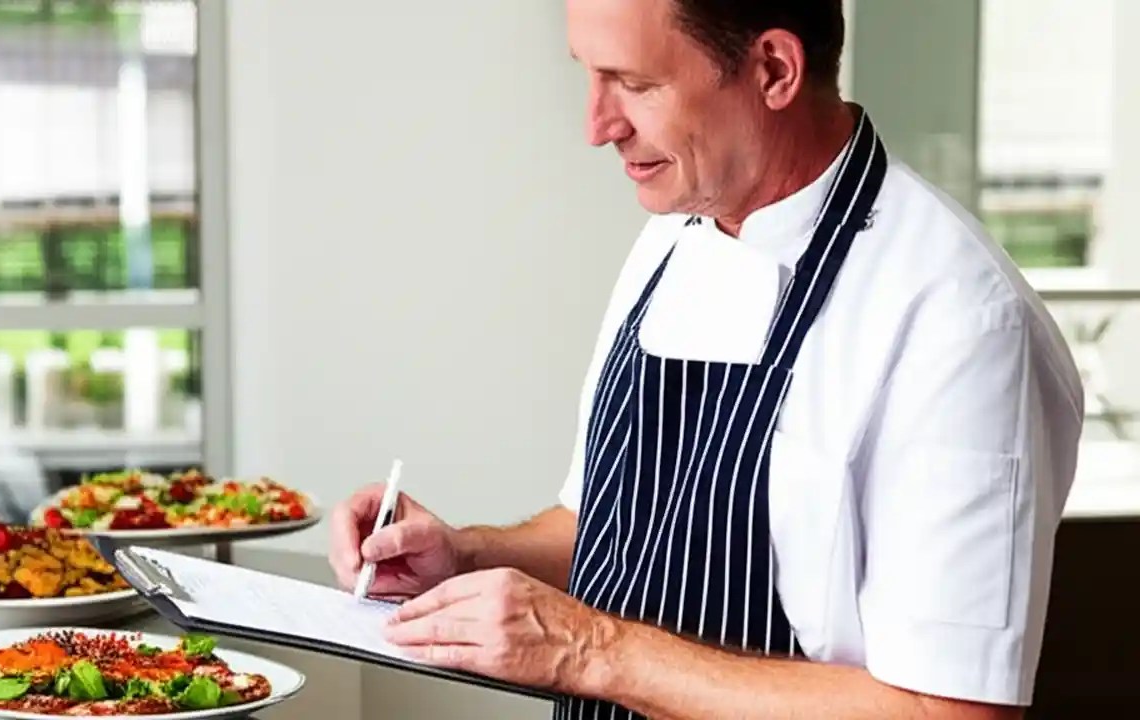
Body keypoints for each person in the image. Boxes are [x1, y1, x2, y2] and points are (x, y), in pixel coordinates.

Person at [329, 0, 1084, 717]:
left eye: (634, 84)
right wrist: (464, 556)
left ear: (775, 70)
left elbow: (948, 709)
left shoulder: (960, 319)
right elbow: (609, 526)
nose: (596, 126)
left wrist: (588, 650)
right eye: (587, 75)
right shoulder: (677, 232)